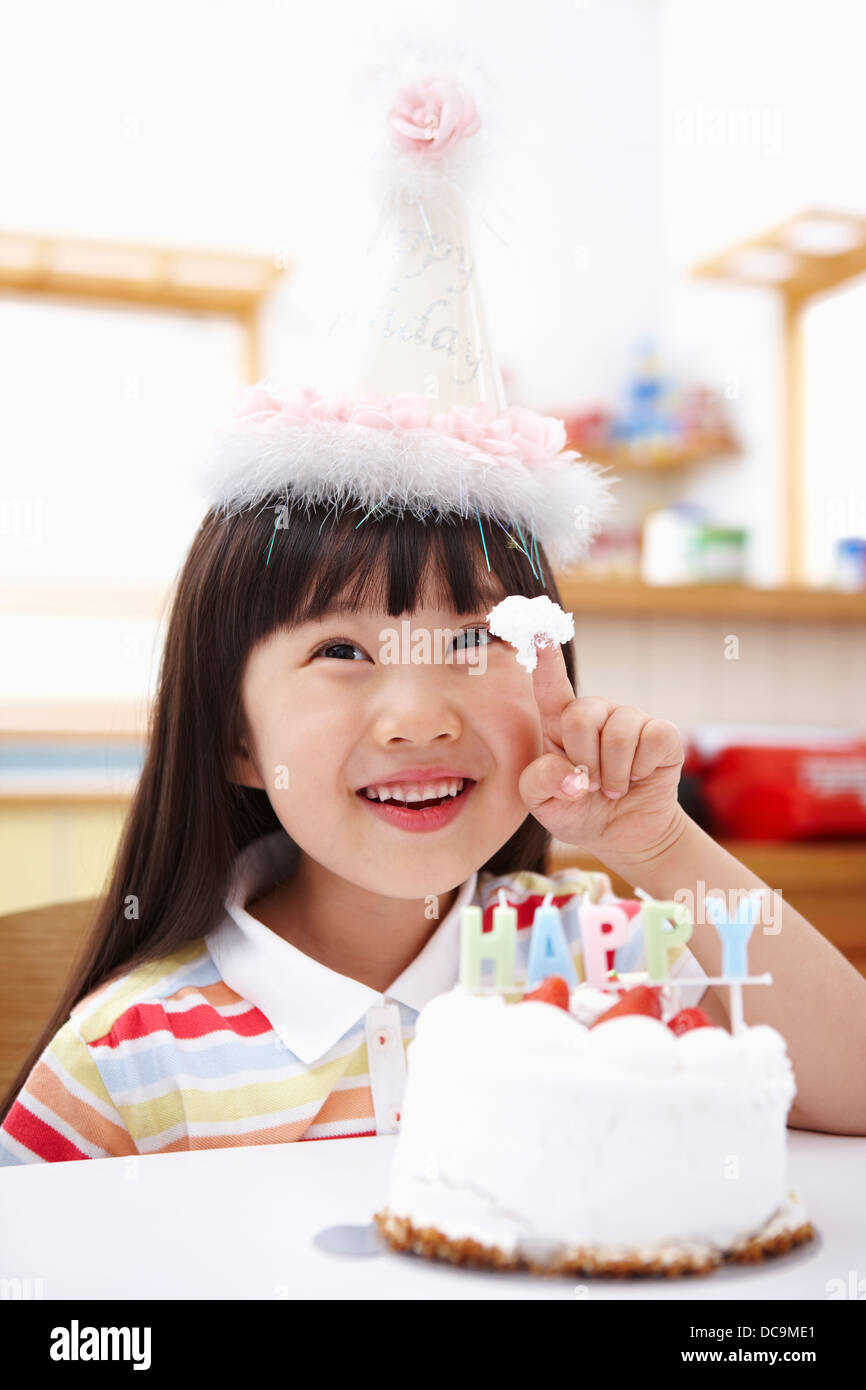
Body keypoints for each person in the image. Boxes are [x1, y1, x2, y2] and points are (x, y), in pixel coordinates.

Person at [3, 70, 865, 1164]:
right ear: (231, 733)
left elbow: (853, 1090)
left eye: (473, 641)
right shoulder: (130, 1059)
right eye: (340, 650)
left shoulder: (604, 965)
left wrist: (659, 846)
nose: (417, 713)